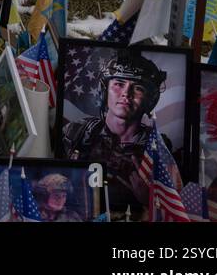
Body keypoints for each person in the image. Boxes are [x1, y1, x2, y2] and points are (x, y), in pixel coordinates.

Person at [62, 51, 172, 218]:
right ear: (105, 91)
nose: (126, 94)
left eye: (138, 88)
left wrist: (148, 198)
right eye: (119, 83)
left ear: (150, 99)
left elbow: (171, 208)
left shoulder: (157, 147)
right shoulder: (77, 132)